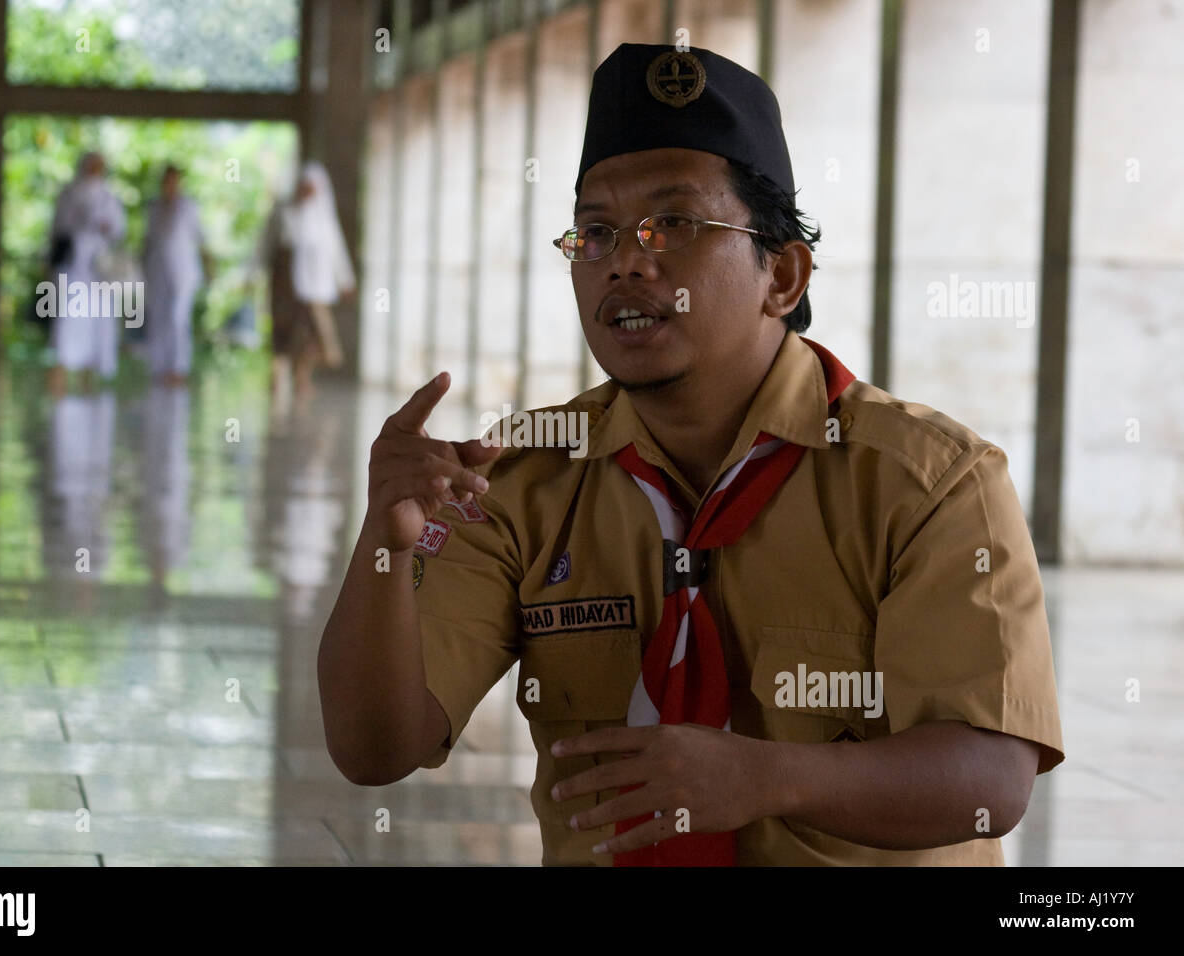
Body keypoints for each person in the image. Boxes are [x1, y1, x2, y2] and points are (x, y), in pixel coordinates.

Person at [318, 43, 1065, 866]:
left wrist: (769, 779)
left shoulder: (927, 483)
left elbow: (993, 779)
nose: (626, 261)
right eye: (595, 231)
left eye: (674, 223)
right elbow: (375, 751)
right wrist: (383, 550)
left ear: (781, 275)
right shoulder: (521, 480)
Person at [258, 161, 355, 399]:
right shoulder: (283, 211)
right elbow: (265, 244)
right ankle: (277, 378)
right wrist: (252, 272)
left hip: (314, 289)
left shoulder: (323, 221)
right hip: (285, 286)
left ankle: (302, 377)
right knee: (282, 332)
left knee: (310, 336)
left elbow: (336, 252)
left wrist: (345, 280)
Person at [47, 152, 126, 394]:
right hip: (74, 268)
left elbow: (119, 229)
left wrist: (106, 227)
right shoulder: (69, 194)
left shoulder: (108, 197)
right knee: (70, 318)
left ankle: (88, 378)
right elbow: (59, 227)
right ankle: (59, 375)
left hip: (99, 271)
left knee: (97, 323)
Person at [142, 164, 208, 386]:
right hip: (157, 268)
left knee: (177, 317)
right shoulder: (154, 208)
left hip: (183, 270)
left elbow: (201, 238)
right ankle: (159, 366)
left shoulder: (188, 207)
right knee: (158, 316)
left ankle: (179, 368)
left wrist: (209, 266)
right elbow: (147, 239)